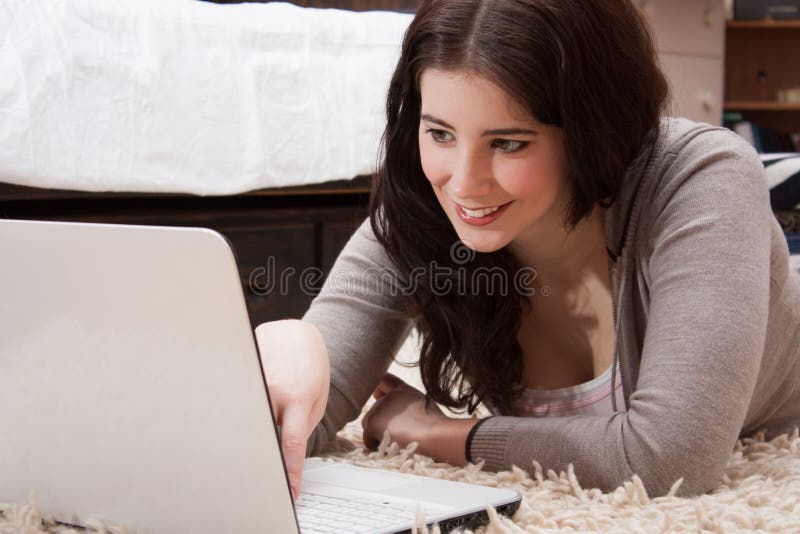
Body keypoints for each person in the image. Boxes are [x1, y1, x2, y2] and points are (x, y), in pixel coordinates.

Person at [255, 0, 800, 501]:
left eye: (508, 143)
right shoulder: (423, 208)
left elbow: (670, 460)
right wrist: (287, 348)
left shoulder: (705, 178)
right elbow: (289, 434)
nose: (465, 184)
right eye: (439, 134)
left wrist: (439, 433)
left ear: (592, 127)